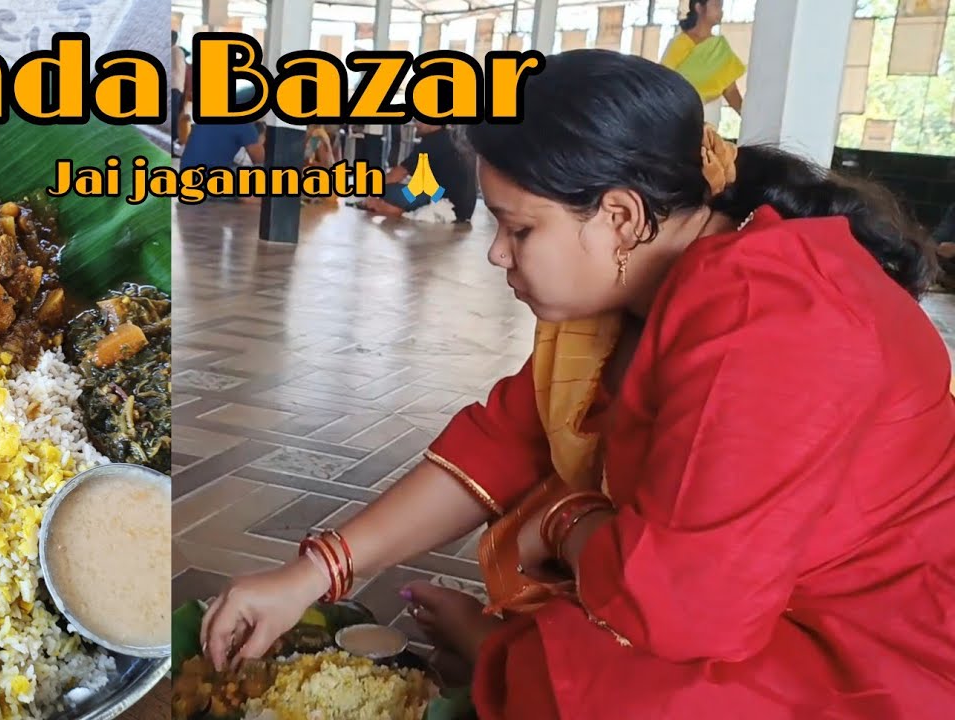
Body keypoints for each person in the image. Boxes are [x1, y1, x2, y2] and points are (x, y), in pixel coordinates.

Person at [200, 49, 955, 719]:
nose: (498, 254)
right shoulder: (638, 291)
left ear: (621, 217)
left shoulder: (770, 312)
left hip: (873, 632)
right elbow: (506, 437)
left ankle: (496, 656)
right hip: (735, 592)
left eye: (519, 228)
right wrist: (312, 575)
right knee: (569, 635)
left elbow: (687, 610)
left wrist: (566, 519)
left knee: (588, 687)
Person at [362, 122, 477, 224]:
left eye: (419, 121)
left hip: (444, 202)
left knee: (387, 190)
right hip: (465, 209)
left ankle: (391, 209)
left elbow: (397, 175)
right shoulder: (453, 138)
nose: (416, 125)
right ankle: (395, 209)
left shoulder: (432, 142)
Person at [661, 0, 744, 126]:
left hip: (710, 125)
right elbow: (665, 84)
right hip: (680, 121)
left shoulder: (720, 49)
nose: (721, 11)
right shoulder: (679, 43)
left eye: (721, 7)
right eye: (716, 5)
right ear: (699, 7)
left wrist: (746, 117)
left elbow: (730, 90)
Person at [170, 31, 187, 157]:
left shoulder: (173, 51)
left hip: (173, 87)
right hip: (177, 87)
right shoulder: (179, 52)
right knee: (174, 117)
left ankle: (171, 146)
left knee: (172, 117)